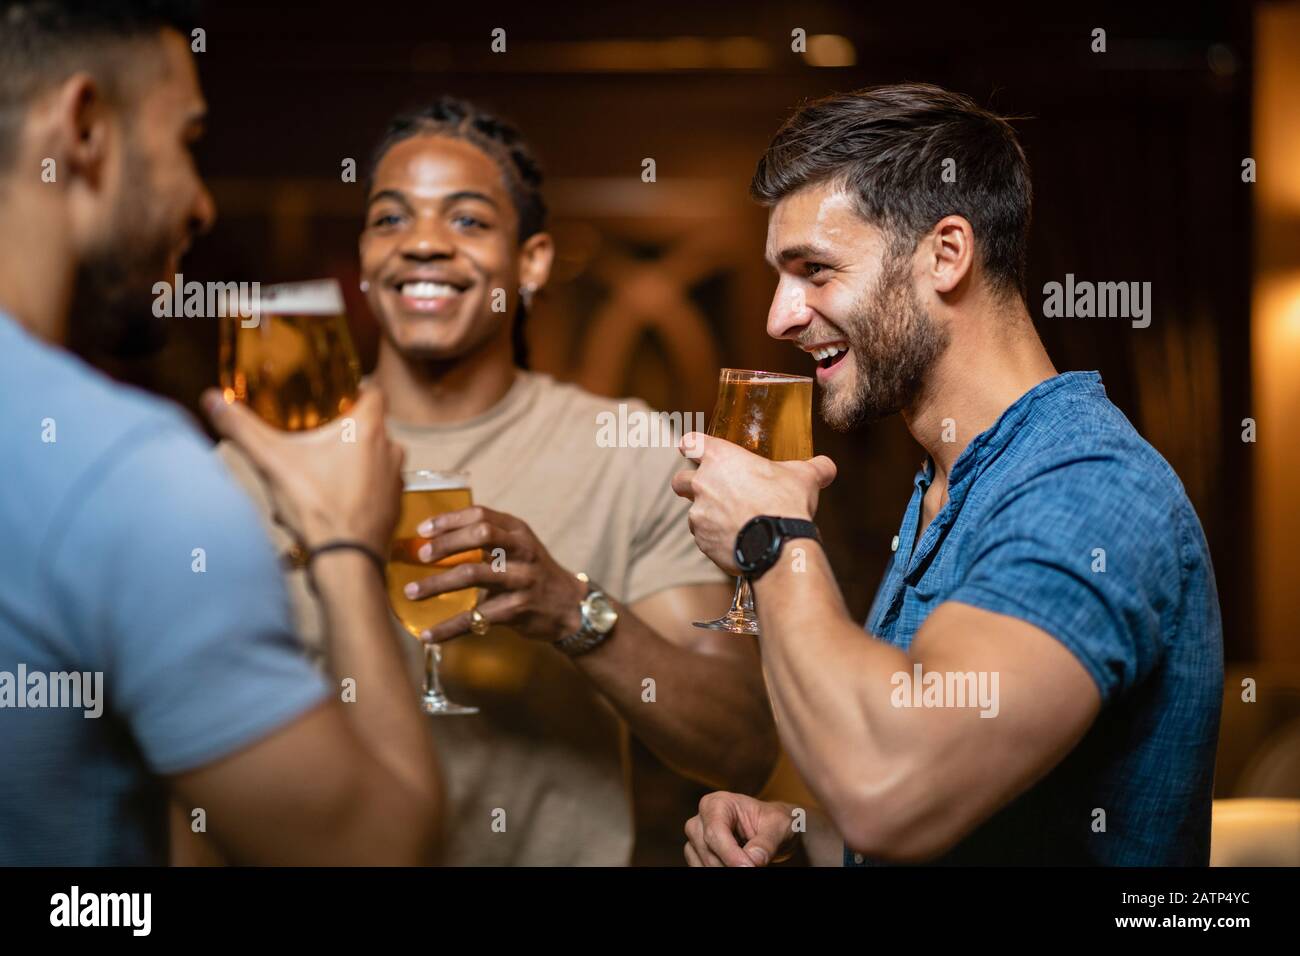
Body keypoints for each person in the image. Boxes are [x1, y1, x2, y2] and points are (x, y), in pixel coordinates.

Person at [216, 97, 779, 865]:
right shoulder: (259, 465)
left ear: (533, 262)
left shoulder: (631, 450)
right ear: (365, 255)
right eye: (389, 219)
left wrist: (573, 612)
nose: (421, 244)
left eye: (468, 221)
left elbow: (740, 743)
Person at [675, 83, 1224, 866]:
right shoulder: (954, 478)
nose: (779, 317)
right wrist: (801, 833)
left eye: (816, 270)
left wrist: (773, 538)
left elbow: (894, 790)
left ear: (946, 253)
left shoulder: (1087, 487)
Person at [0, 0, 441, 865]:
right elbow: (383, 851)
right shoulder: (130, 473)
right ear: (84, 127)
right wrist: (346, 545)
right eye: (187, 140)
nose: (200, 205)